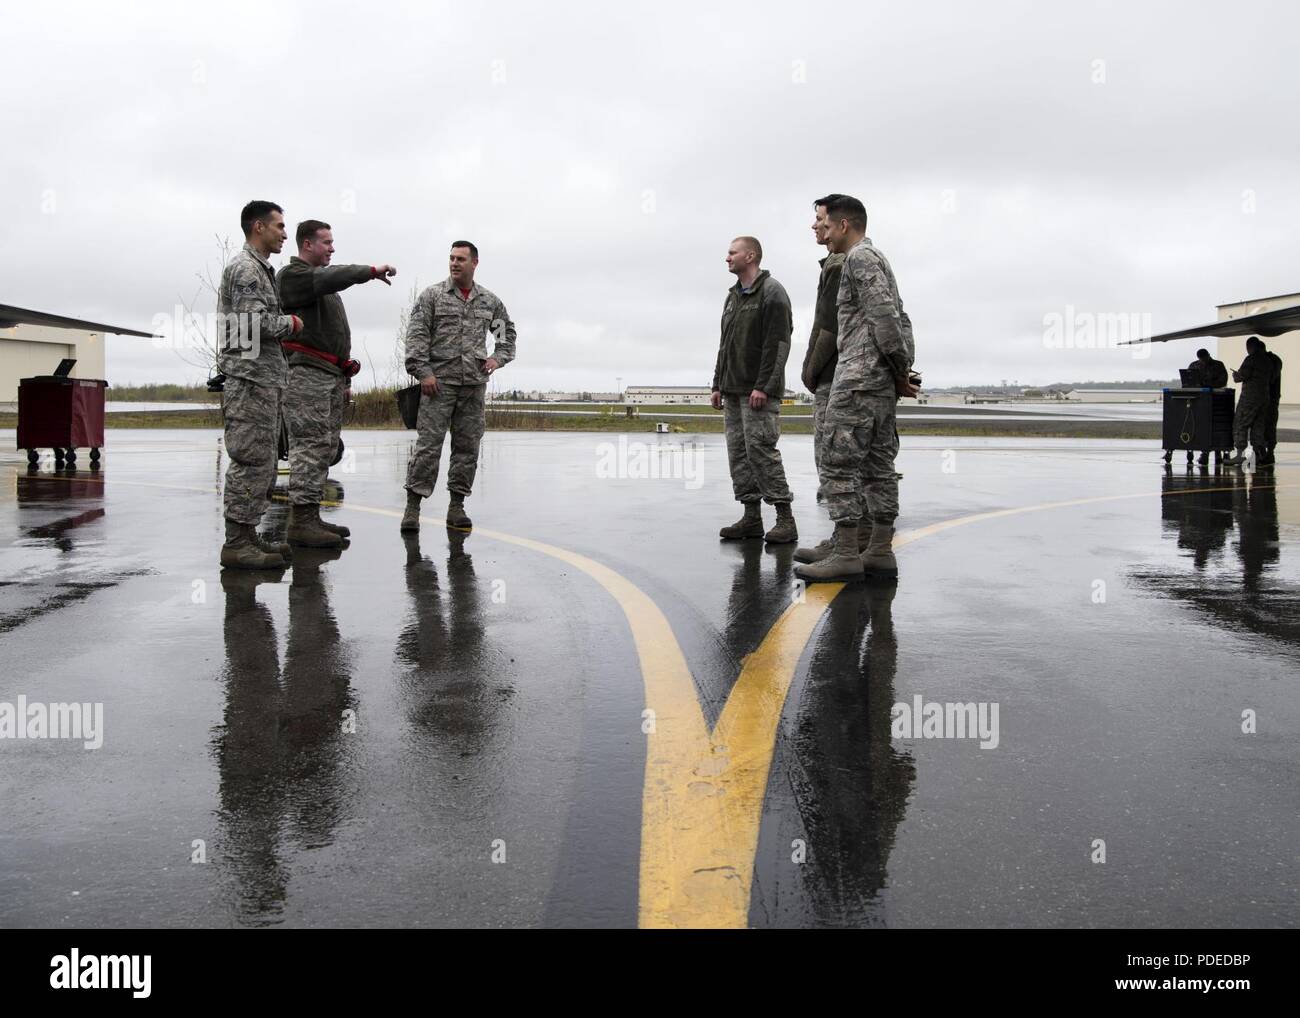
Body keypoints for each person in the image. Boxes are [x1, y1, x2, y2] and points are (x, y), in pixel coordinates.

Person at [796, 195, 917, 582]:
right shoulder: (876, 259)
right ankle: (879, 549)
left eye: (824, 223)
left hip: (860, 379)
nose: (821, 231)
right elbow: (901, 317)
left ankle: (847, 552)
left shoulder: (860, 259)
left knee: (837, 462)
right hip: (878, 382)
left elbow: (886, 318)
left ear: (844, 224)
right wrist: (899, 370)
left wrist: (899, 368)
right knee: (879, 467)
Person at [277, 220, 396, 547]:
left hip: (328, 375)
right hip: (306, 375)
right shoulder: (295, 277)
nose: (331, 248)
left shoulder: (322, 288)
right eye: (326, 243)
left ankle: (311, 516)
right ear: (307, 245)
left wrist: (343, 379)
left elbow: (333, 336)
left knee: (325, 446)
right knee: (309, 446)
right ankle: (301, 521)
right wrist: (369, 271)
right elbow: (330, 277)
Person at [401, 241, 516, 532]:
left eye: (461, 259)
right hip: (437, 386)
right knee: (428, 448)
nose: (454, 263)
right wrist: (423, 372)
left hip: (473, 387)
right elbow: (416, 336)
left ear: (474, 263)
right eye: (451, 258)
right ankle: (412, 508)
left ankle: (456, 506)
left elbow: (506, 334)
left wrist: (497, 358)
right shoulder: (433, 296)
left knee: (467, 448)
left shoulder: (489, 302)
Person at [217, 200, 303, 570]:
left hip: (263, 379)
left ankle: (247, 534)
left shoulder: (260, 269)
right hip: (249, 381)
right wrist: (291, 325)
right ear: (258, 227)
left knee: (264, 462)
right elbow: (254, 323)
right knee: (249, 460)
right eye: (279, 226)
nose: (285, 233)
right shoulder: (246, 270)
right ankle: (236, 542)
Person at [710, 236, 797, 544]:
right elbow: (725, 345)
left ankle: (785, 519)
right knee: (739, 455)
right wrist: (717, 384)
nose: (727, 258)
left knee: (762, 453)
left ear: (750, 256)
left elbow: (778, 344)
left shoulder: (772, 293)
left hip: (757, 392)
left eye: (732, 252)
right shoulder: (733, 296)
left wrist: (764, 386)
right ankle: (751, 517)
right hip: (732, 390)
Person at [1225, 337, 1275, 466]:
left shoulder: (1251, 359)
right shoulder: (1268, 361)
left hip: (1249, 398)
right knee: (1258, 425)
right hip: (1264, 397)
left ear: (1250, 347)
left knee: (1240, 423)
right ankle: (1257, 455)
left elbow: (1241, 376)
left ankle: (1240, 454)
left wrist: (1236, 375)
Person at [1187, 349, 1229, 465]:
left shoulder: (1218, 365)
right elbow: (1188, 380)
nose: (1203, 361)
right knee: (1202, 427)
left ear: (1208, 356)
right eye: (1201, 359)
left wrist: (1207, 385)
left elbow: (1223, 381)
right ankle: (1204, 453)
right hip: (1200, 401)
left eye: (1205, 358)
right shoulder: (1194, 365)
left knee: (1216, 427)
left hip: (1216, 400)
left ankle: (1217, 453)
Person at [1261, 344, 1283, 466]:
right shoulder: (1273, 359)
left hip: (1270, 399)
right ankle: (1262, 453)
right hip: (1263, 399)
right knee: (1261, 426)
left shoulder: (1272, 360)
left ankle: (1269, 453)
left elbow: (1271, 378)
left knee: (1269, 425)